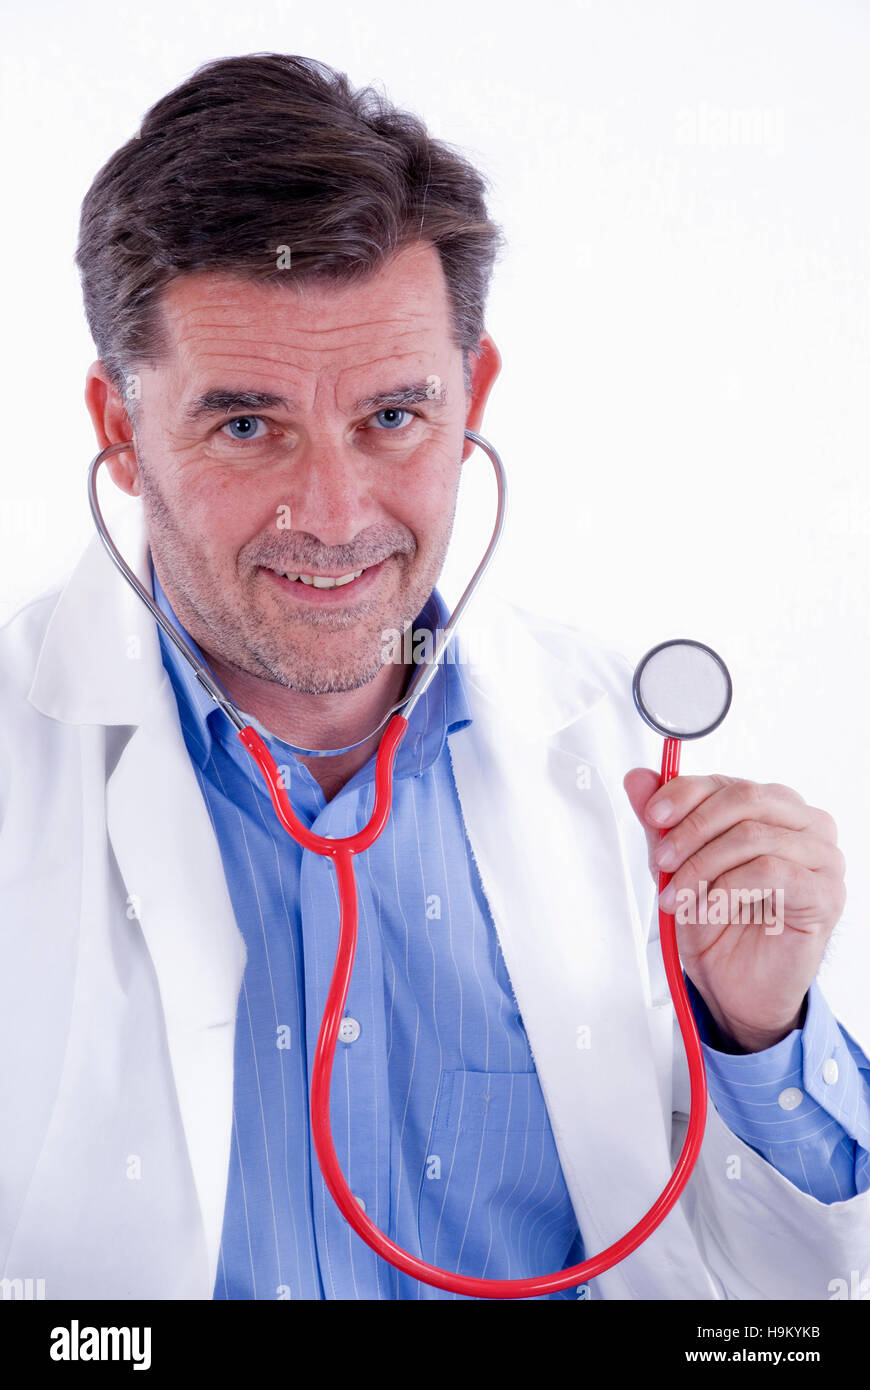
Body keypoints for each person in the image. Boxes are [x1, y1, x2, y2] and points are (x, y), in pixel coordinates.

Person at [1, 52, 868, 1303]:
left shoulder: (624, 759)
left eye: (392, 417)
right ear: (120, 433)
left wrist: (759, 1039)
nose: (335, 513)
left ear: (475, 399)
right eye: (247, 424)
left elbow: (779, 1306)